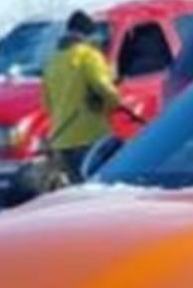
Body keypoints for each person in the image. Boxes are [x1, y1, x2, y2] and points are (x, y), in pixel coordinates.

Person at [40, 10, 142, 183]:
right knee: (101, 187)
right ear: (87, 34)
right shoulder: (89, 56)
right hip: (90, 137)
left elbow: (46, 105)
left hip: (62, 141)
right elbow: (105, 89)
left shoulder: (52, 62)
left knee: (79, 191)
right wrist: (111, 104)